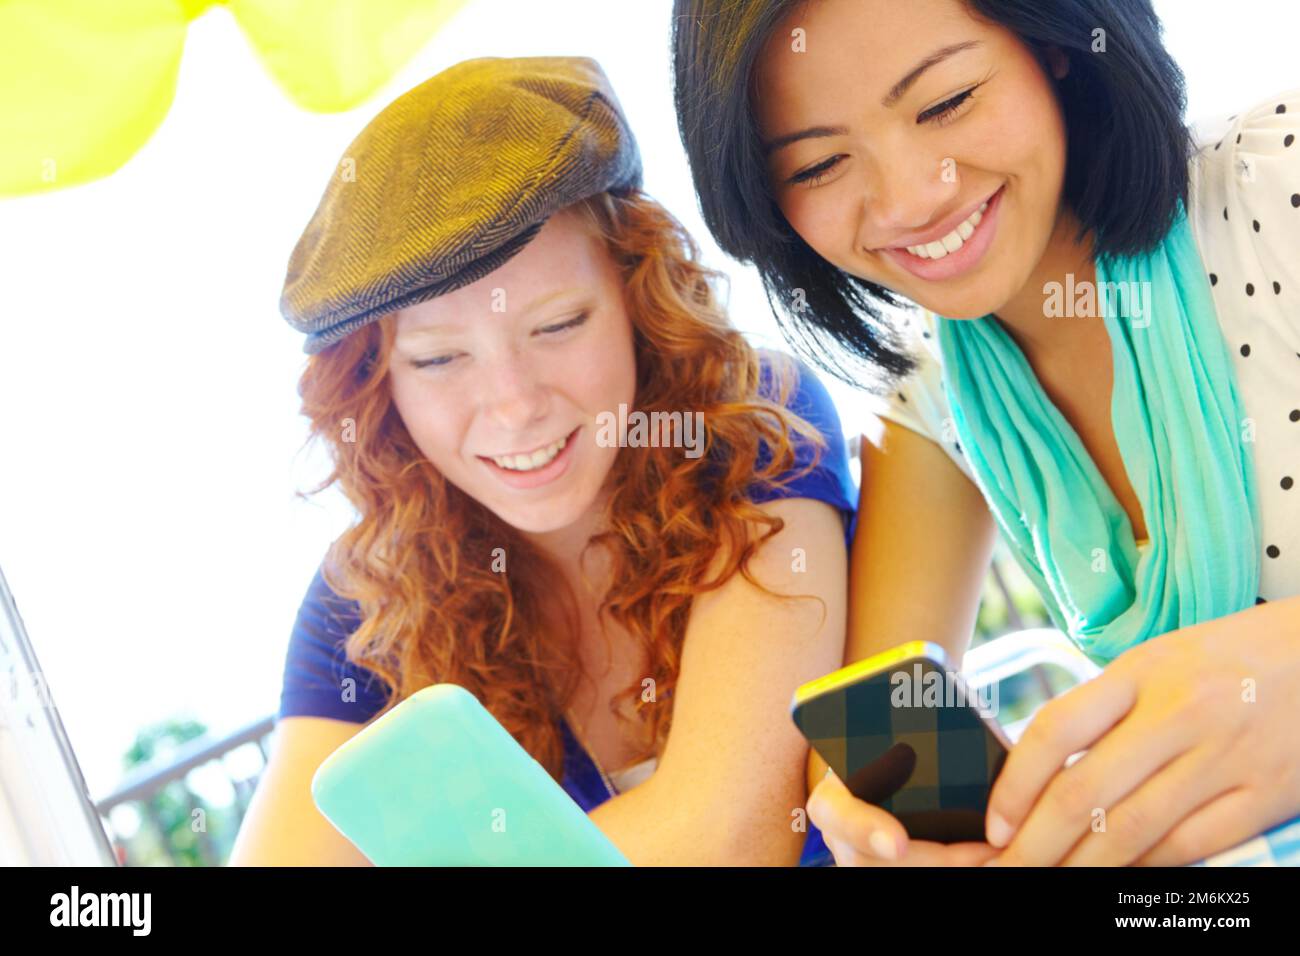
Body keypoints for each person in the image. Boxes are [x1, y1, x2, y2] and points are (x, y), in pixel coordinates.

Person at [672, 0, 1300, 865]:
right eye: (819, 164)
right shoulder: (931, 397)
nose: (910, 200)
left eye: (946, 101)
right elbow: (873, 737)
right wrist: (884, 832)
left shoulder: (1281, 185)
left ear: (1058, 46)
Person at [229, 56, 857, 867]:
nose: (515, 405)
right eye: (439, 361)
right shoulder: (367, 595)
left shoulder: (750, 422)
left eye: (559, 325)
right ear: (378, 387)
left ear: (640, 300)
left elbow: (727, 837)